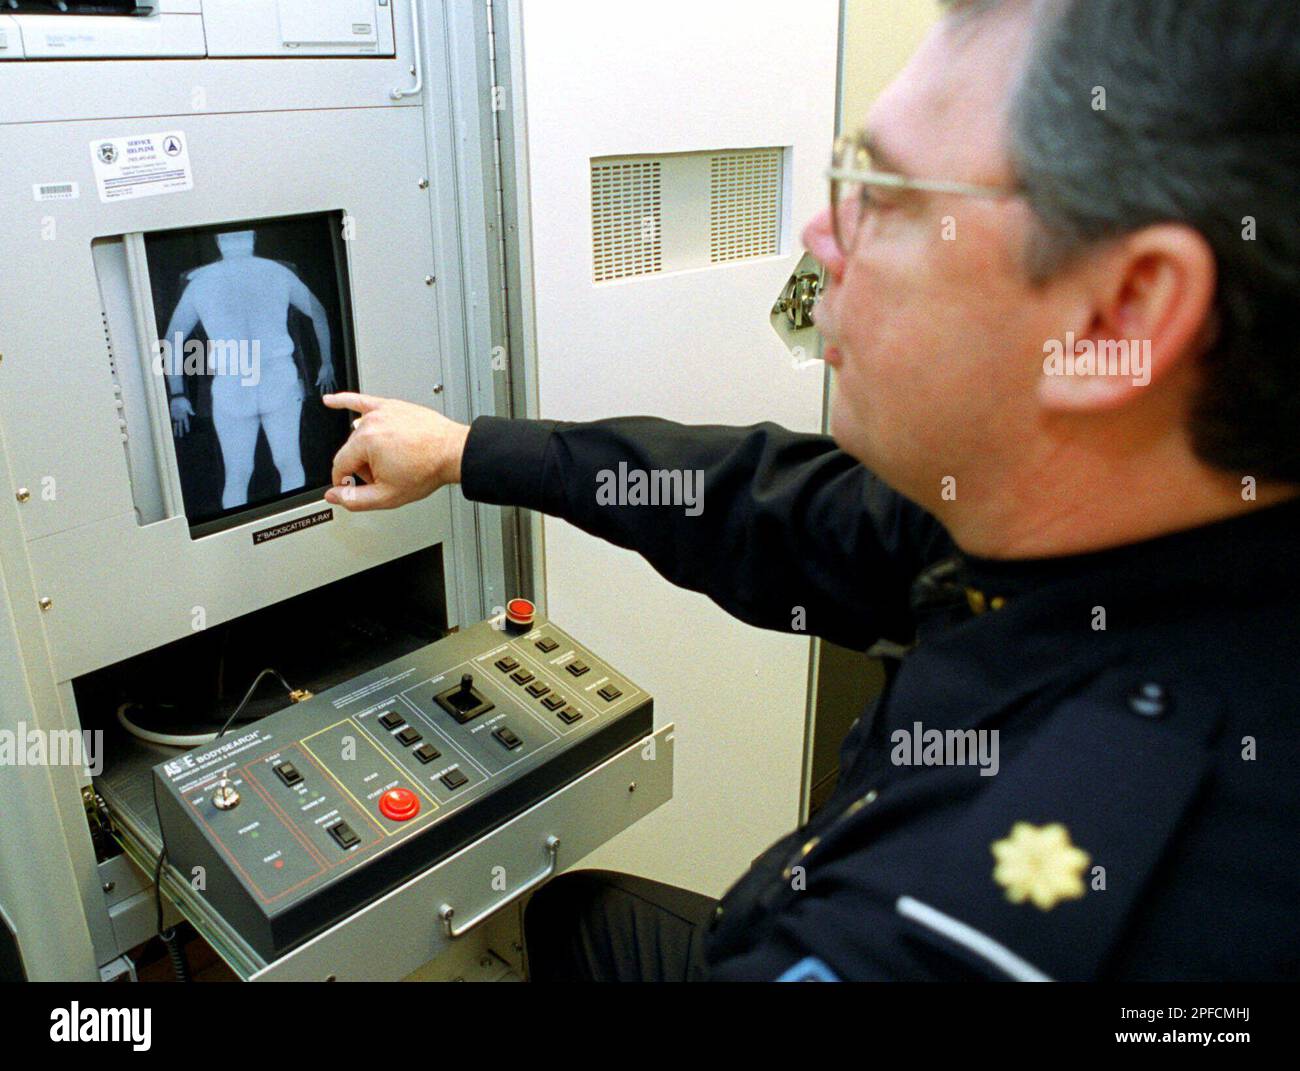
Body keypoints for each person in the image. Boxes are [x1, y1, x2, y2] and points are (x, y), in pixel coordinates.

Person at [322, 0, 1300, 980]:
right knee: (583, 915)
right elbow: (764, 502)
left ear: (1113, 316)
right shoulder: (1126, 527)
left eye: (882, 192)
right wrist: (465, 451)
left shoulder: (953, 919)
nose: (819, 231)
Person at [166, 229, 336, 509]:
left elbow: (172, 340)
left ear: (220, 242)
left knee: (240, 475)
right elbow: (318, 312)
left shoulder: (201, 282)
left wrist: (177, 394)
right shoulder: (276, 273)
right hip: (273, 379)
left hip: (243, 383)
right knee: (286, 465)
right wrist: (326, 363)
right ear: (252, 238)